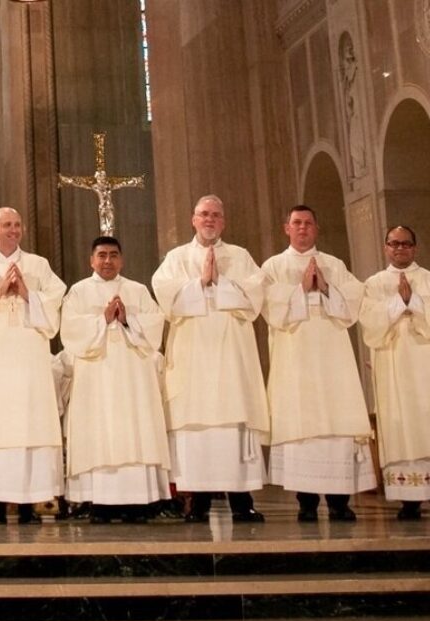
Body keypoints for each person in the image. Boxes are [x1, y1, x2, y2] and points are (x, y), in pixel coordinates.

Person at [150, 195, 269, 523]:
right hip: (192, 358)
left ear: (224, 221)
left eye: (216, 214)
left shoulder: (240, 257)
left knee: (235, 423)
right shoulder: (177, 258)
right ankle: (197, 501)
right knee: (195, 427)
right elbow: (166, 299)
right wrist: (200, 283)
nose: (210, 220)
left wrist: (221, 283)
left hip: (232, 356)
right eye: (204, 214)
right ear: (193, 219)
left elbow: (254, 300)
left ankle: (241, 501)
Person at [261, 205, 375, 521]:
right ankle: (306, 503)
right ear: (286, 228)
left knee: (337, 422)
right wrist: (300, 289)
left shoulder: (334, 265)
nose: (302, 228)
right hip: (295, 358)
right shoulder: (273, 266)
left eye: (308, 223)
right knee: (302, 426)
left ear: (317, 228)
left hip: (333, 360)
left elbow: (355, 301)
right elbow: (268, 306)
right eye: (296, 223)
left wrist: (324, 287)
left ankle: (340, 502)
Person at [0, 208, 65, 525]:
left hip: (29, 360)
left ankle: (31, 502)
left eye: (17, 225)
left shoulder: (38, 266)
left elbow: (55, 306)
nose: (13, 230)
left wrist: (28, 294)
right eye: (6, 225)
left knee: (30, 426)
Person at [61, 236, 169, 524]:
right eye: (101, 255)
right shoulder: (79, 291)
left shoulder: (137, 290)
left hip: (133, 379)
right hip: (96, 377)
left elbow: (155, 326)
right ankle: (100, 503)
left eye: (113, 255)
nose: (107, 261)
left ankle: (137, 502)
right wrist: (103, 319)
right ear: (91, 260)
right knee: (100, 433)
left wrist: (126, 320)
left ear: (121, 259)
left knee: (134, 430)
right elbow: (70, 331)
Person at [359, 226, 429, 520]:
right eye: (393, 243)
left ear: (414, 247)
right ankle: (408, 500)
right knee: (400, 423)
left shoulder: (427, 279)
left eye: (405, 244)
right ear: (386, 247)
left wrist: (414, 301)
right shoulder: (373, 284)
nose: (399, 248)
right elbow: (369, 322)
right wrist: (399, 303)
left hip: (424, 362)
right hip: (391, 364)